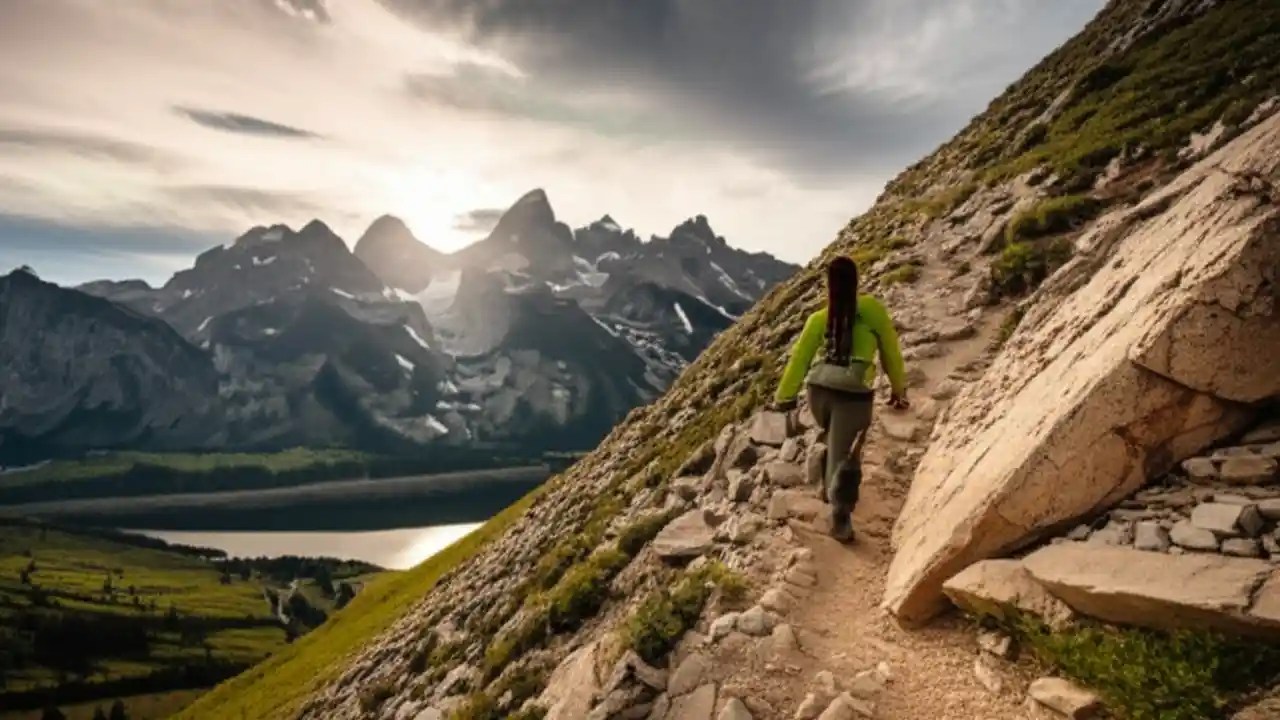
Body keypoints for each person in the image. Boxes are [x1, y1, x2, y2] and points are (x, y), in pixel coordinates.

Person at [772, 256, 908, 543]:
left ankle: (826, 473)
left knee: (833, 434)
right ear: (856, 280)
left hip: (817, 392)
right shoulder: (871, 310)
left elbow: (799, 360)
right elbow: (890, 353)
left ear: (828, 285)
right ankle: (840, 516)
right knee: (848, 456)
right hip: (853, 396)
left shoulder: (817, 319)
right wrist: (899, 390)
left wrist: (784, 397)